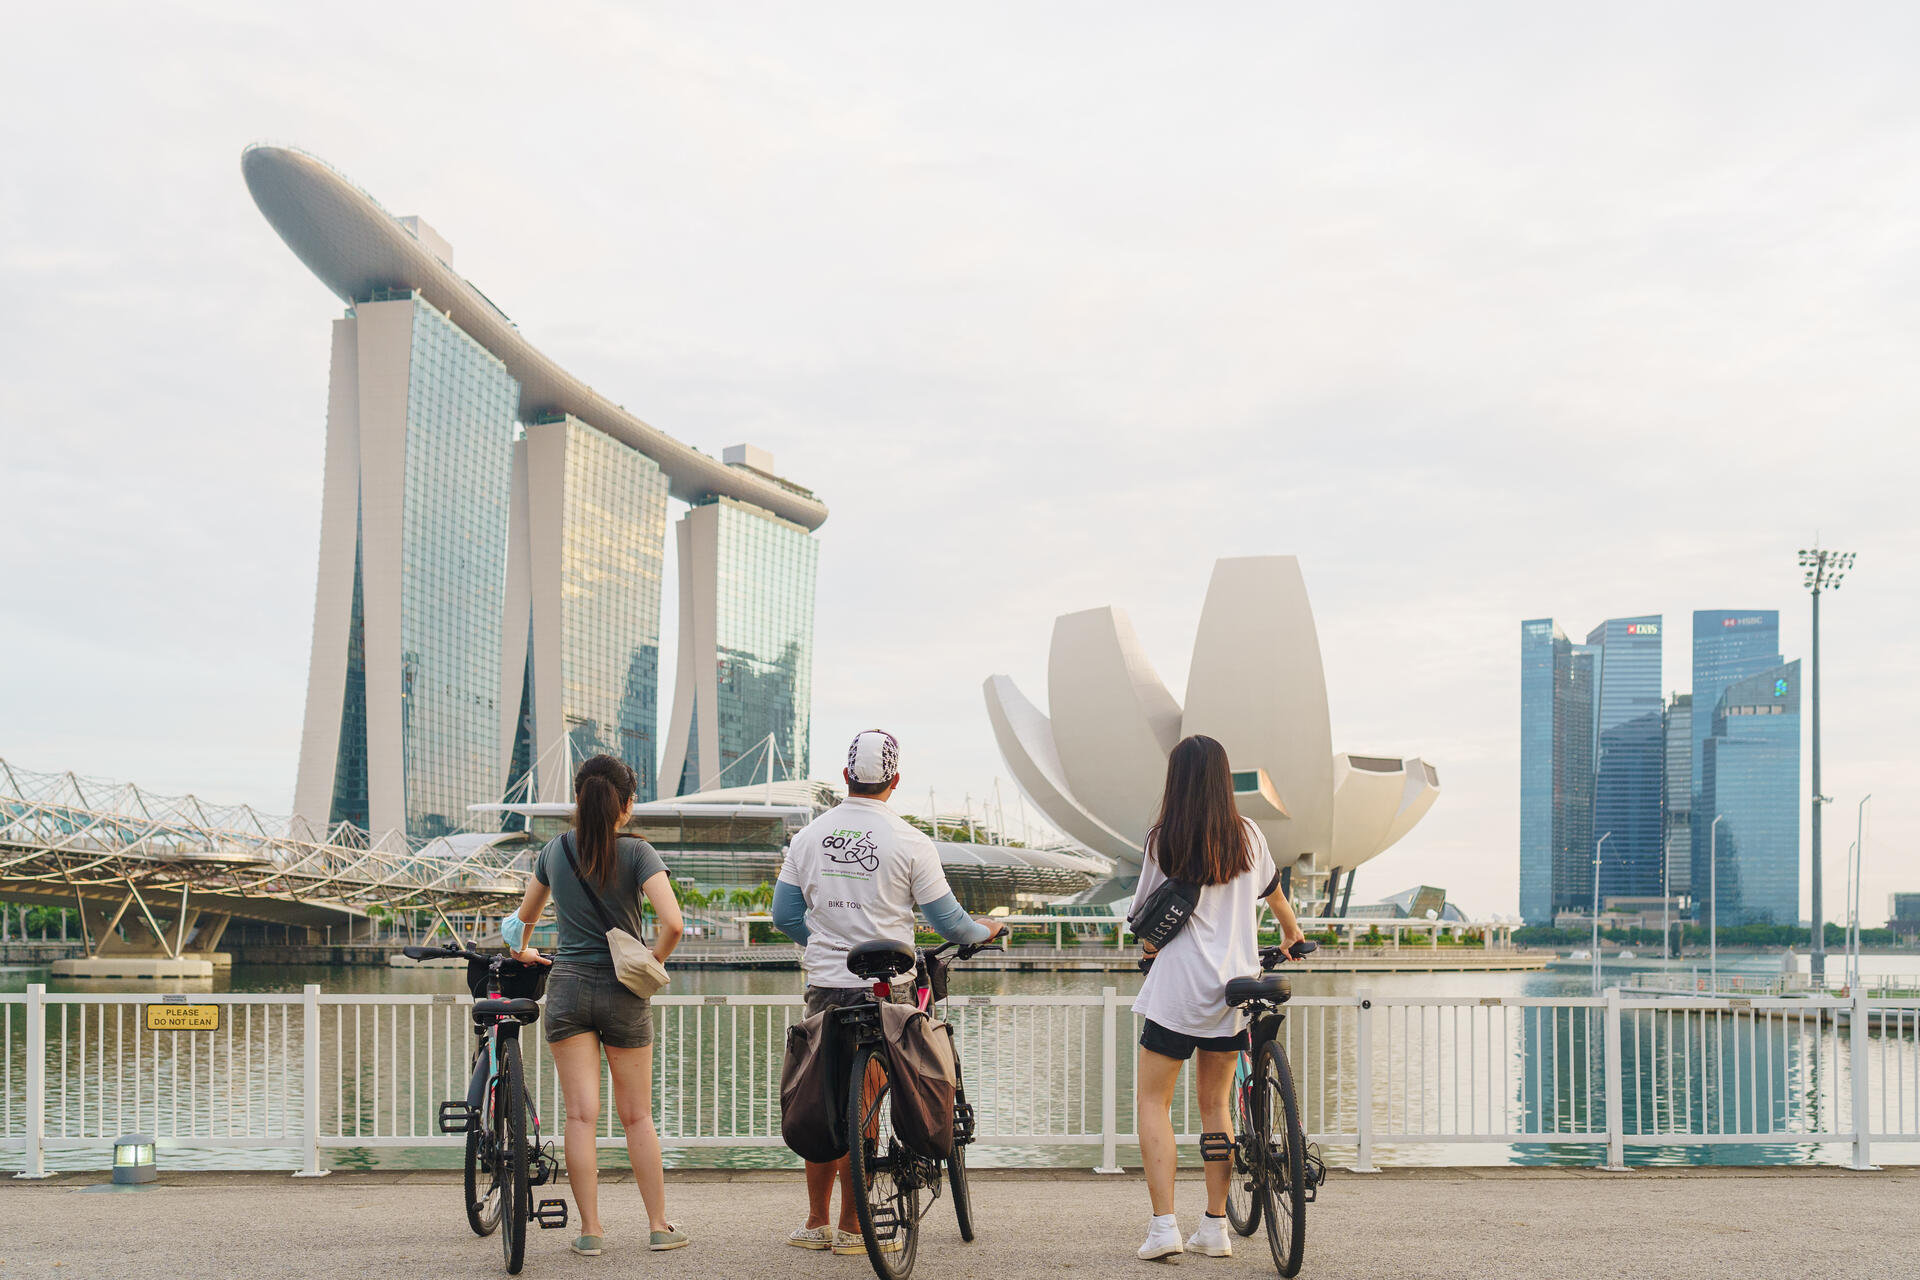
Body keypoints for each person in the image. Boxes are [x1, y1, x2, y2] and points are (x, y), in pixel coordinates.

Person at [771, 729, 1006, 1255]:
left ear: (846, 776)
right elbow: (951, 924)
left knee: (822, 1097)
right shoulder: (909, 840)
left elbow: (784, 915)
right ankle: (855, 1229)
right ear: (895, 781)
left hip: (827, 984)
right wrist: (987, 929)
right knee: (868, 1103)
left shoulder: (808, 837)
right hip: (887, 987)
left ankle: (816, 1222)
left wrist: (828, 944)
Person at [503, 754, 688, 1256]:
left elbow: (521, 922)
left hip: (567, 989)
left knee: (581, 1117)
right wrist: (651, 959)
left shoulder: (554, 852)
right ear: (625, 805)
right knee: (637, 1118)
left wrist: (523, 952)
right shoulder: (639, 854)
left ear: (580, 801)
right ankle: (657, 1226)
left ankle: (591, 1232)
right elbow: (673, 923)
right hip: (625, 992)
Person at [1131, 735, 1307, 1261]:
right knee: (1216, 1107)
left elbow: (1146, 924)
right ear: (1223, 778)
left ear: (1176, 780)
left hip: (1177, 993)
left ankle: (1164, 1228)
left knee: (1153, 1103)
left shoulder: (1164, 838)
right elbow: (1275, 893)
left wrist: (1149, 948)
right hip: (1232, 990)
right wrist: (1292, 937)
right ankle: (1214, 1227)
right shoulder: (1249, 836)